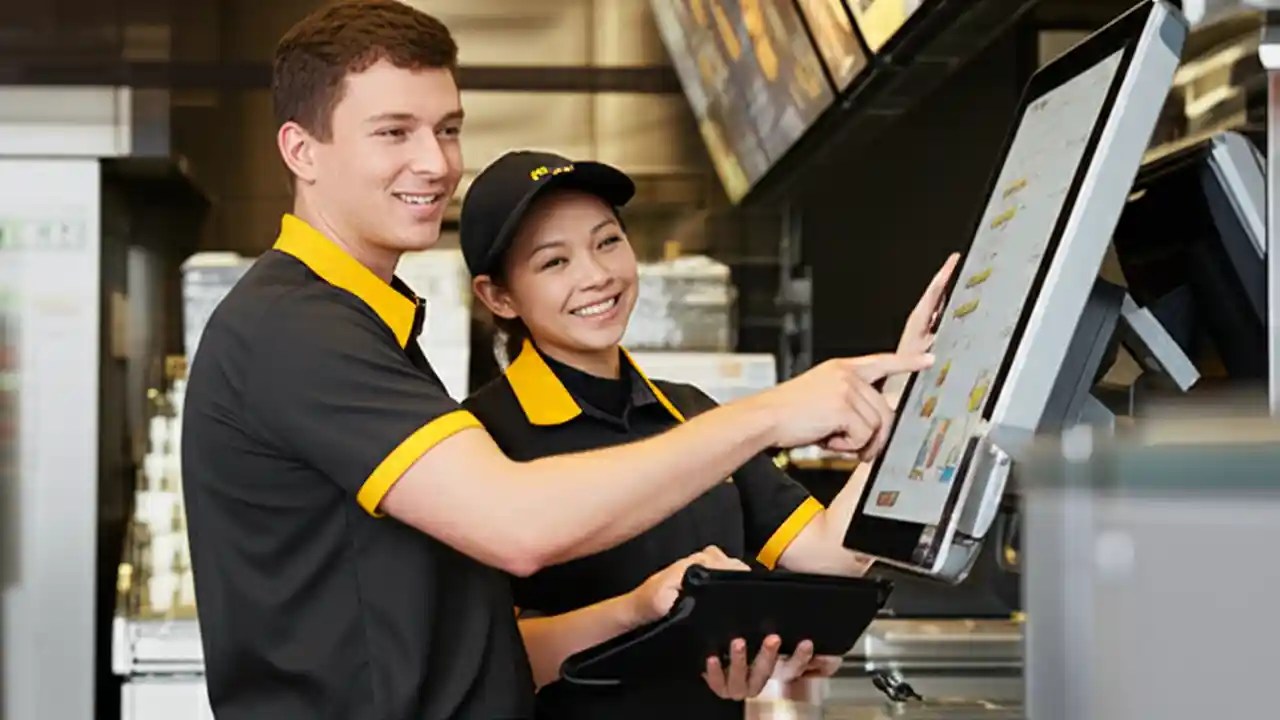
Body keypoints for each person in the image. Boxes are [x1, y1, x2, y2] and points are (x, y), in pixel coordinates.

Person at [178, 2, 934, 719]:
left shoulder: (362, 327)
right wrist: (773, 412)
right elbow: (518, 524)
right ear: (300, 150)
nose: (434, 162)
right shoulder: (297, 327)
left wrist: (647, 609)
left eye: (446, 129)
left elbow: (471, 647)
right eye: (393, 132)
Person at [459, 149, 959, 719]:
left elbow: (831, 555)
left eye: (607, 242)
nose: (597, 275)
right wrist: (642, 609)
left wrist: (908, 397)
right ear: (498, 296)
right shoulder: (475, 442)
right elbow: (482, 658)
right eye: (554, 262)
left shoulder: (693, 412)